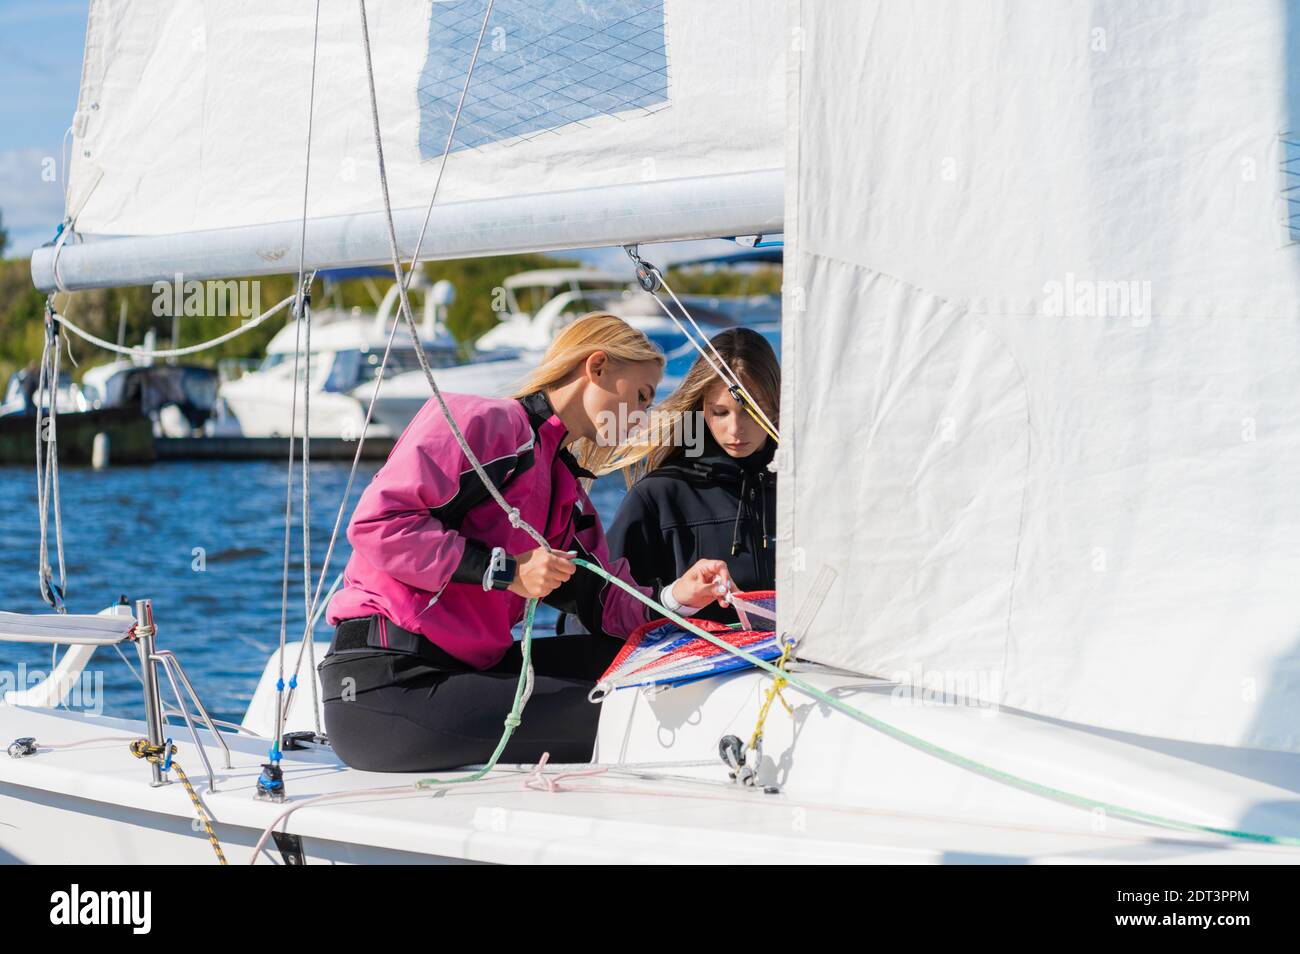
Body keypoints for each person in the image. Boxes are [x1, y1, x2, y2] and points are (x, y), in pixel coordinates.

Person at [321, 312, 733, 772]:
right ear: (597, 367)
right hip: (388, 688)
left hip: (467, 674)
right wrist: (507, 572)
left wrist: (678, 596)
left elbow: (602, 599)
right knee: (627, 712)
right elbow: (379, 524)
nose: (640, 418)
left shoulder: (563, 488)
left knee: (643, 665)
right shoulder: (484, 424)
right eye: (640, 396)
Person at [562, 327, 779, 634]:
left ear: (776, 404)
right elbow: (592, 612)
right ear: (701, 408)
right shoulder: (659, 497)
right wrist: (676, 599)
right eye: (720, 412)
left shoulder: (808, 489)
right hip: (696, 664)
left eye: (751, 410)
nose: (735, 429)